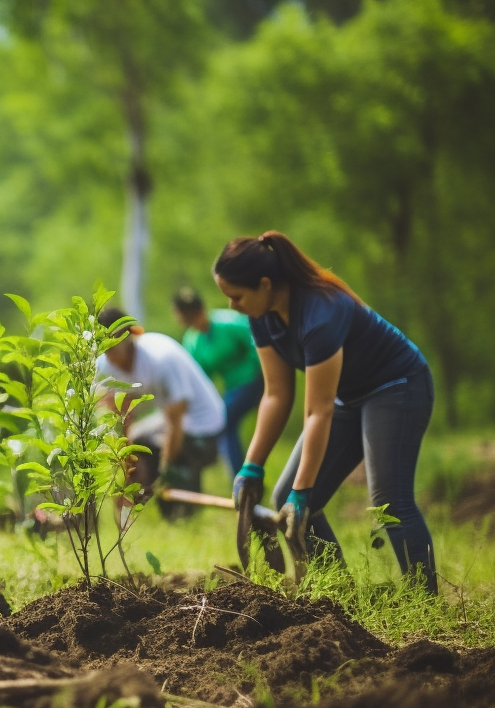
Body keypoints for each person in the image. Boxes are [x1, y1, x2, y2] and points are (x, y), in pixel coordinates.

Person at [214, 231, 436, 592]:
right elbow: (276, 394)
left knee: (389, 500)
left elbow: (317, 411)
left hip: (397, 386)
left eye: (236, 296)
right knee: (285, 494)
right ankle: (340, 594)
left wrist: (305, 492)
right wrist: (251, 466)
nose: (231, 306)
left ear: (265, 284)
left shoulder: (321, 310)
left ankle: (425, 600)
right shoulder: (261, 315)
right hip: (347, 396)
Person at [96, 307, 225, 519]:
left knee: (157, 451)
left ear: (129, 337)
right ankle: (141, 499)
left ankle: (178, 500)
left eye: (113, 344)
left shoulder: (161, 358)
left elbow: (176, 421)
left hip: (203, 424)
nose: (109, 353)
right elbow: (122, 419)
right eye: (104, 347)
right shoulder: (104, 367)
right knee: (138, 438)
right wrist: (125, 472)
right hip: (169, 418)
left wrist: (164, 470)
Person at [171, 287, 263, 475]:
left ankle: (242, 476)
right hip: (232, 388)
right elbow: (197, 377)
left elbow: (257, 342)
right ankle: (239, 475)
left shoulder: (228, 322)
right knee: (223, 423)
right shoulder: (193, 341)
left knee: (224, 421)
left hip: (254, 379)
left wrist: (257, 369)